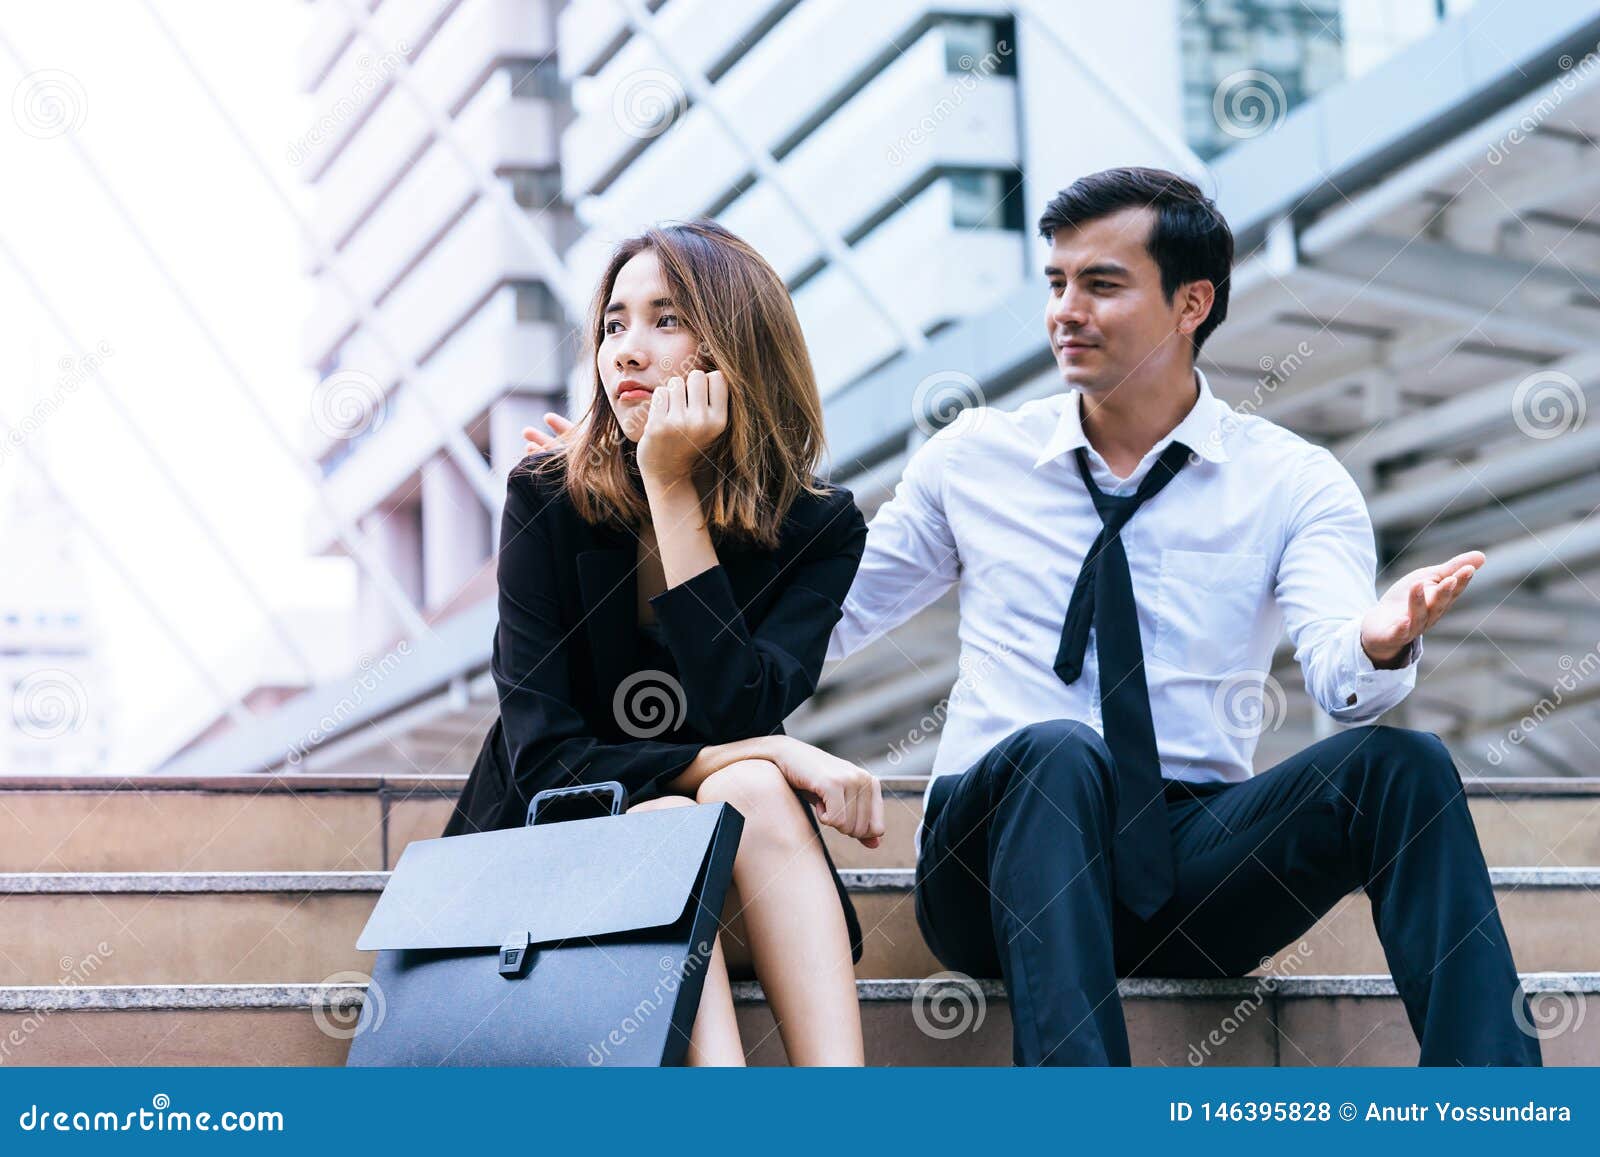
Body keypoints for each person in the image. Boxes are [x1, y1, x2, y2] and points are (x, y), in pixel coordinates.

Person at [824, 166, 1541, 1066]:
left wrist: (1376, 639)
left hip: (1184, 866)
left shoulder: (1289, 479)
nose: (1065, 311)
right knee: (1060, 750)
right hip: (994, 860)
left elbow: (1340, 673)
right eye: (1057, 284)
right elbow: (829, 619)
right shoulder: (974, 458)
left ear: (1190, 302)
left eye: (1103, 284)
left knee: (1404, 767)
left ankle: (1493, 1108)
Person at [446, 219, 885, 1066]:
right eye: (614, 324)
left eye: (666, 320)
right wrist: (761, 752)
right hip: (545, 863)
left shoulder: (820, 526)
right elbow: (544, 758)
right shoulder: (545, 497)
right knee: (672, 808)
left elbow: (739, 704)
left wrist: (672, 487)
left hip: (737, 878)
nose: (627, 351)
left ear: (739, 345)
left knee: (750, 785)